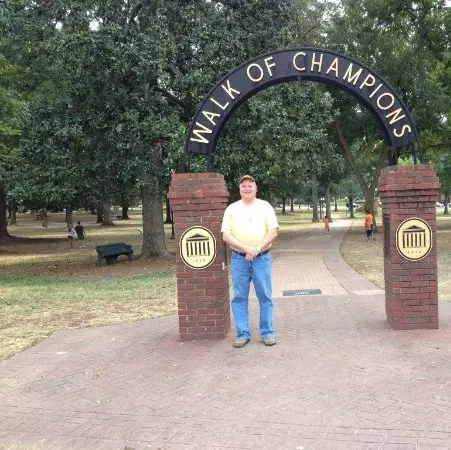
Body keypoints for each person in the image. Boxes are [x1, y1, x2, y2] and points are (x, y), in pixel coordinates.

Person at [221, 175, 279, 348]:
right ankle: (242, 333)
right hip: (239, 260)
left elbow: (273, 232)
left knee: (265, 297)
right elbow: (226, 235)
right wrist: (247, 249)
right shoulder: (232, 209)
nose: (247, 188)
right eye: (243, 186)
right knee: (239, 297)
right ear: (239, 189)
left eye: (250, 185)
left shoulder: (265, 207)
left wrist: (256, 249)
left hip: (261, 259)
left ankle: (267, 332)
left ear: (256, 188)